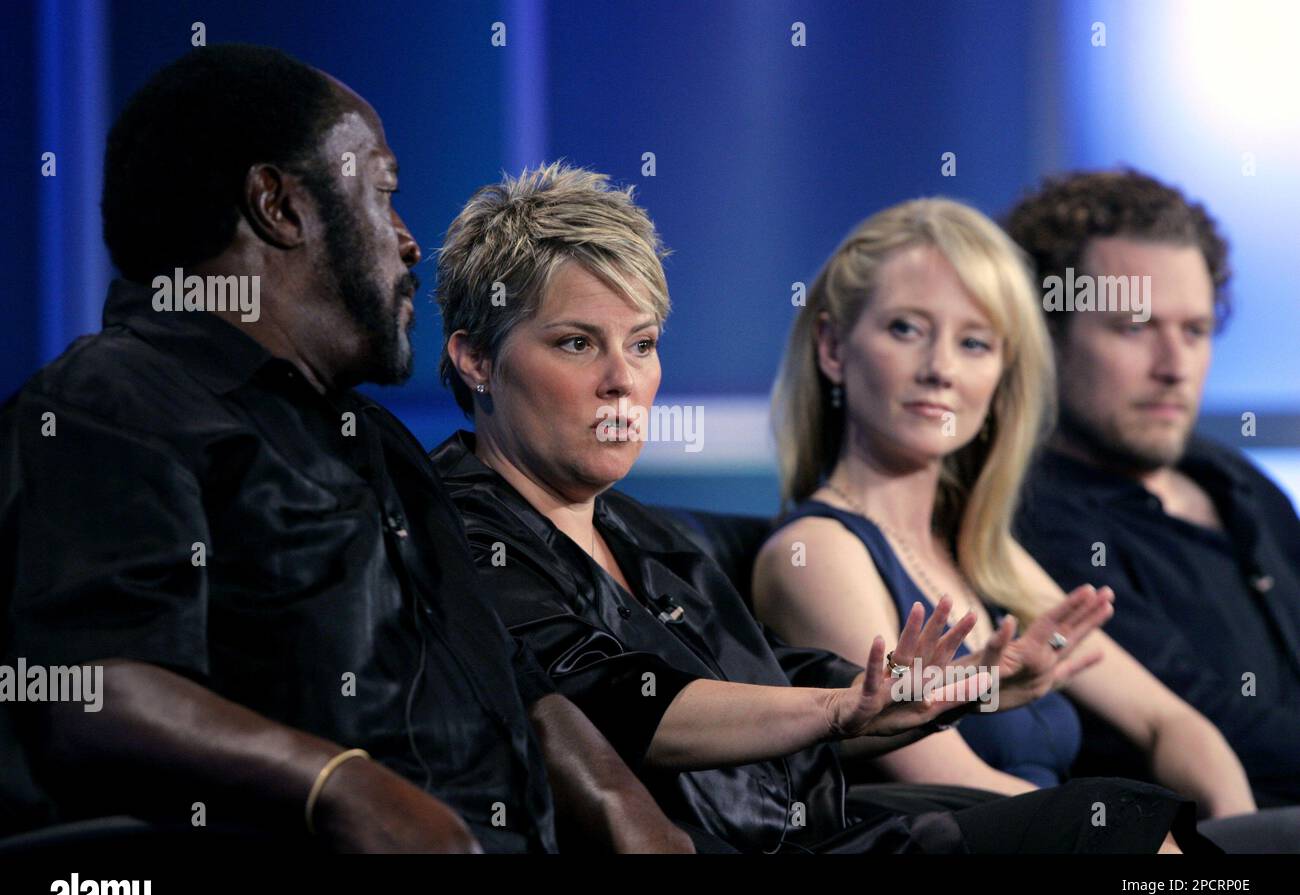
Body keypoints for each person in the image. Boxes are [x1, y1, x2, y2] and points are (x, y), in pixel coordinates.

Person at [0, 44, 694, 854]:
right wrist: (342, 785)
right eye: (383, 193)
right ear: (278, 205)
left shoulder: (377, 440)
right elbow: (88, 687)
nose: (408, 243)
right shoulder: (111, 403)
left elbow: (512, 678)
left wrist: (621, 802)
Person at [433, 162, 1211, 853]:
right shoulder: (455, 526)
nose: (622, 379)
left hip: (832, 829)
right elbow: (624, 702)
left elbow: (774, 673)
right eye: (577, 343)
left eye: (641, 344)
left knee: (1156, 842)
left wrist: (955, 685)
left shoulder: (646, 533)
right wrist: (844, 708)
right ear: (476, 360)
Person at [754, 197, 1262, 840]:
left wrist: (1237, 837)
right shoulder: (818, 554)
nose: (940, 368)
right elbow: (952, 784)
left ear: (1000, 377)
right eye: (906, 329)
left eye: (973, 343)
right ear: (832, 346)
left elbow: (1172, 724)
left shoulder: (986, 554)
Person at [1007, 169, 1300, 815]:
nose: (1175, 365)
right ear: (1045, 336)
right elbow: (1207, 715)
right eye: (1135, 327)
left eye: (1195, 330)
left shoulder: (1233, 476)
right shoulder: (1024, 518)